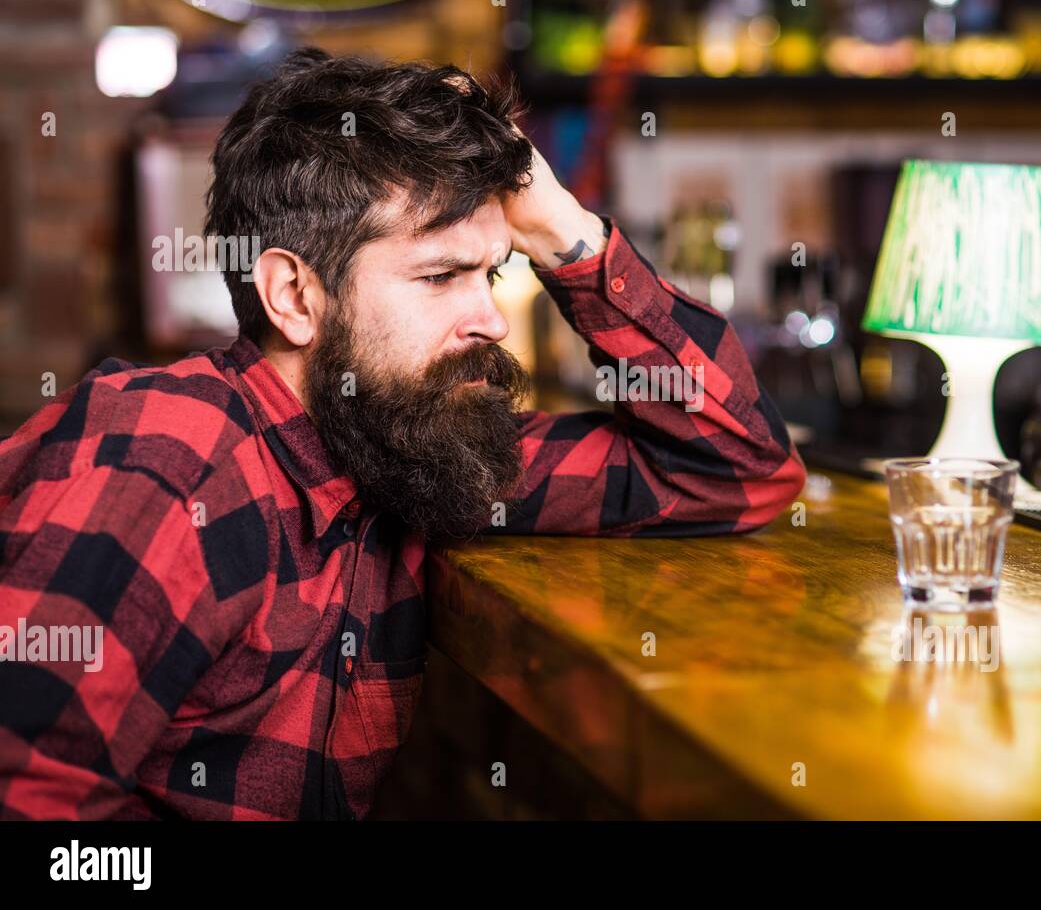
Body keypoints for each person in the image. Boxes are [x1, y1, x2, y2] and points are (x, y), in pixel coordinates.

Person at [0, 48, 805, 819]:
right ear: (294, 296)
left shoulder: (406, 442)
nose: (491, 317)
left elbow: (734, 464)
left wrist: (564, 229)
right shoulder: (168, 463)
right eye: (439, 276)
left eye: (489, 273)